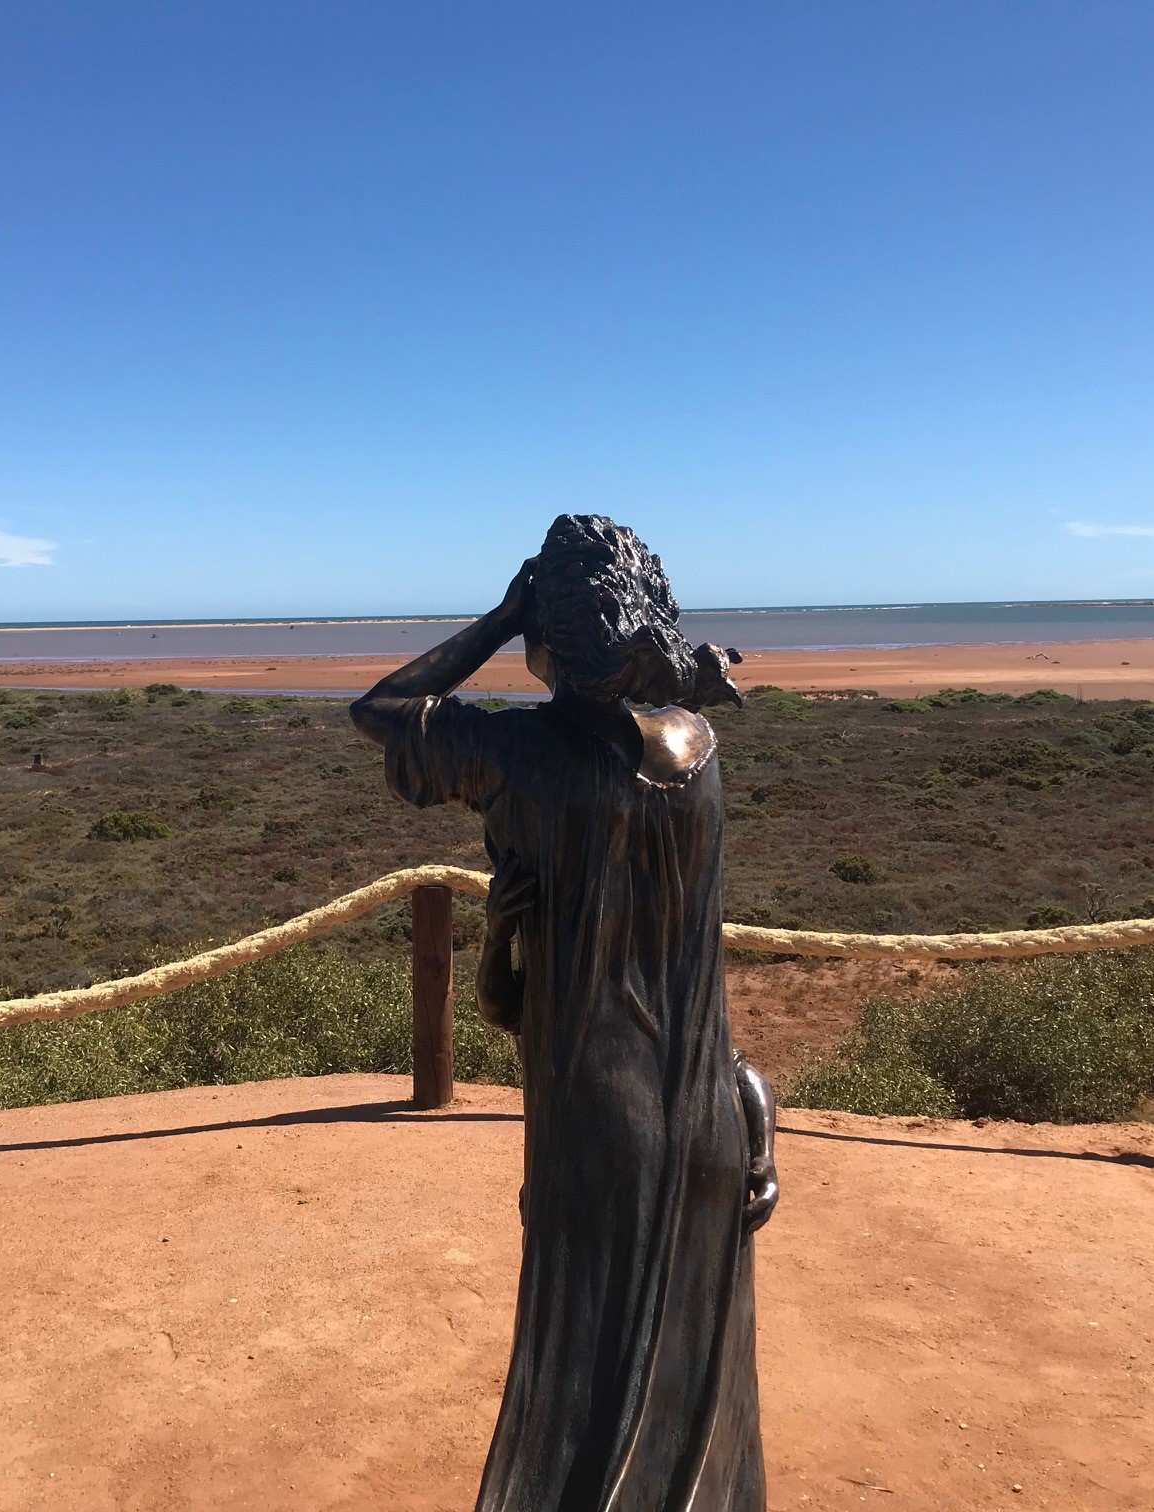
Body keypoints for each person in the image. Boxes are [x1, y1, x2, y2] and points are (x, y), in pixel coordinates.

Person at [351, 514, 779, 1512]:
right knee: (699, 1388)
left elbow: (382, 709)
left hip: (601, 1113)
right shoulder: (701, 750)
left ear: (549, 638)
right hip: (712, 1104)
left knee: (584, 1386)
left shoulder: (524, 754)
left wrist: (498, 616)